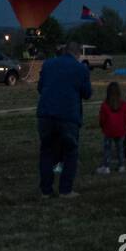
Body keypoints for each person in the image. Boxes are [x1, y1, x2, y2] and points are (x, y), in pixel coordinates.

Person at [37, 41, 92, 196]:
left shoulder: (48, 64)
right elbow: (87, 93)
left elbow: (40, 88)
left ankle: (46, 190)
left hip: (45, 114)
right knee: (70, 152)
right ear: (78, 54)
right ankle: (65, 190)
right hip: (68, 116)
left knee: (46, 151)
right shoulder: (81, 68)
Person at [97, 81, 126, 175]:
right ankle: (121, 166)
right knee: (120, 149)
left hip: (109, 131)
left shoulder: (104, 105)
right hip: (120, 131)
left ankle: (106, 167)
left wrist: (102, 126)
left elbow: (102, 119)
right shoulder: (124, 105)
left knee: (107, 149)